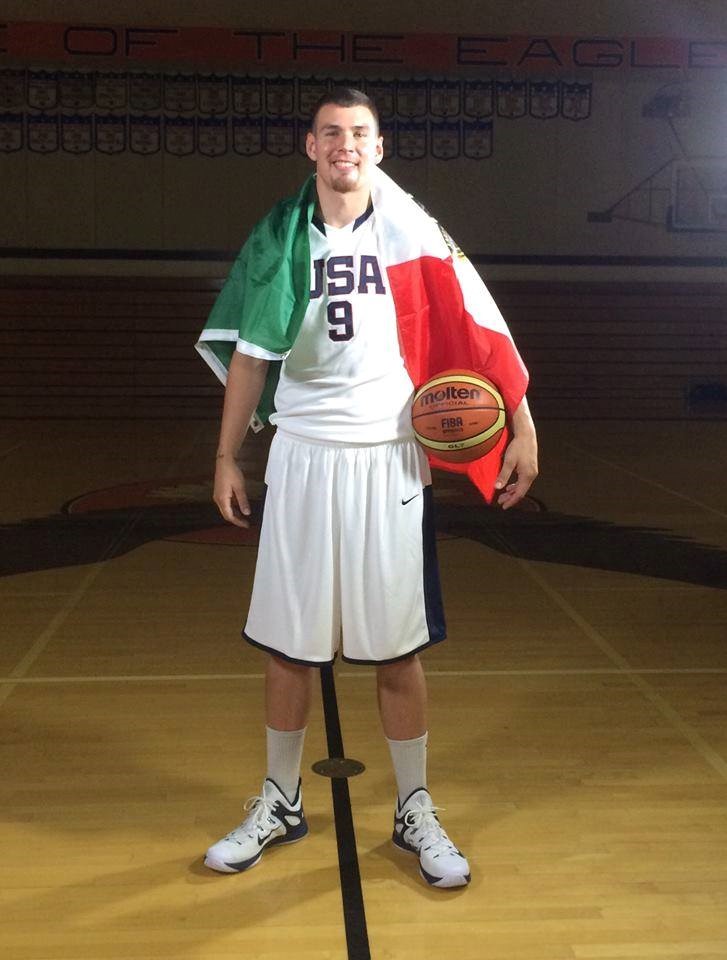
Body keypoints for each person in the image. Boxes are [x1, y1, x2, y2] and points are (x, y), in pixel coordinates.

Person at [195, 87, 538, 889]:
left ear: (377, 148)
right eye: (329, 133)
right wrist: (224, 455)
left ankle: (414, 806)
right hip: (304, 453)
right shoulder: (279, 236)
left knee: (396, 648)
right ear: (309, 148)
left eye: (358, 133)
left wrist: (521, 422)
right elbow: (249, 355)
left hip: (389, 457)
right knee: (287, 644)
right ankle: (279, 800)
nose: (344, 144)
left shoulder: (412, 229)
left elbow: (475, 321)